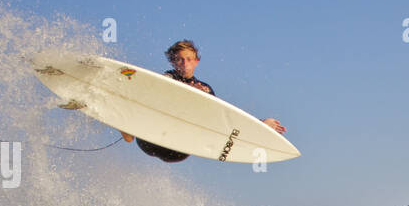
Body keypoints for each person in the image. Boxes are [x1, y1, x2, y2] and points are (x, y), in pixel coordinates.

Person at [123, 40, 287, 163]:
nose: (185, 64)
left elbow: (224, 118)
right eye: (180, 59)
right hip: (149, 140)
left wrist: (261, 124)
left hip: (179, 150)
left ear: (196, 62)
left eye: (189, 59)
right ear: (173, 61)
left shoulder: (205, 89)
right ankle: (125, 125)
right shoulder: (166, 79)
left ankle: (126, 126)